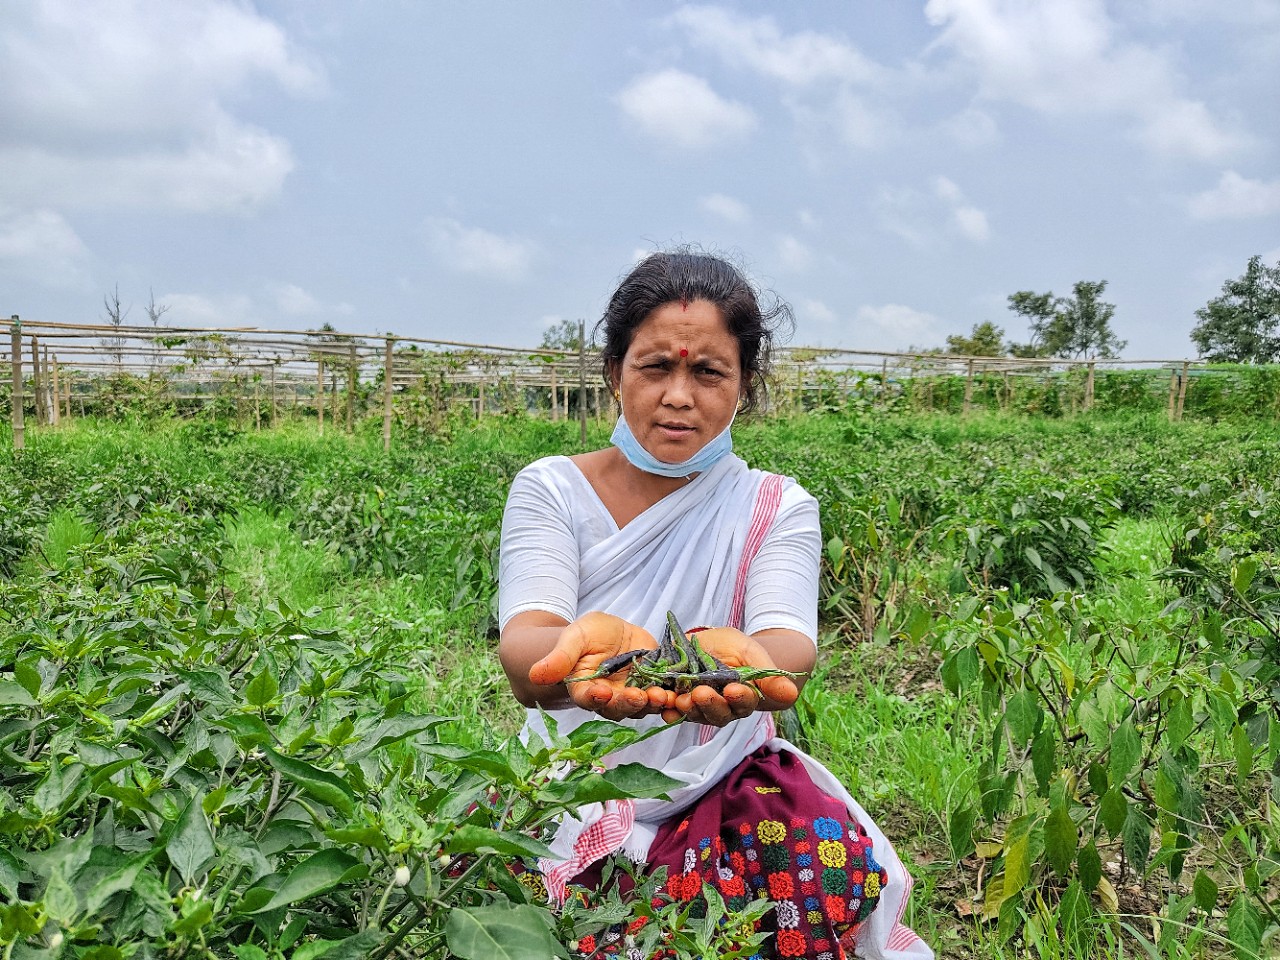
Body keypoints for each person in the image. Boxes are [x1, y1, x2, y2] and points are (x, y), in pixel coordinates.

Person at [498, 250, 931, 960]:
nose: (678, 395)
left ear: (745, 385)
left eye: (707, 372)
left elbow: (785, 642)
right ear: (614, 374)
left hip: (725, 782)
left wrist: (744, 668)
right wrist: (572, 653)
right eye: (655, 367)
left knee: (801, 887)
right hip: (569, 785)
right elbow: (528, 644)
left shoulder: (774, 505)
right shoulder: (552, 489)